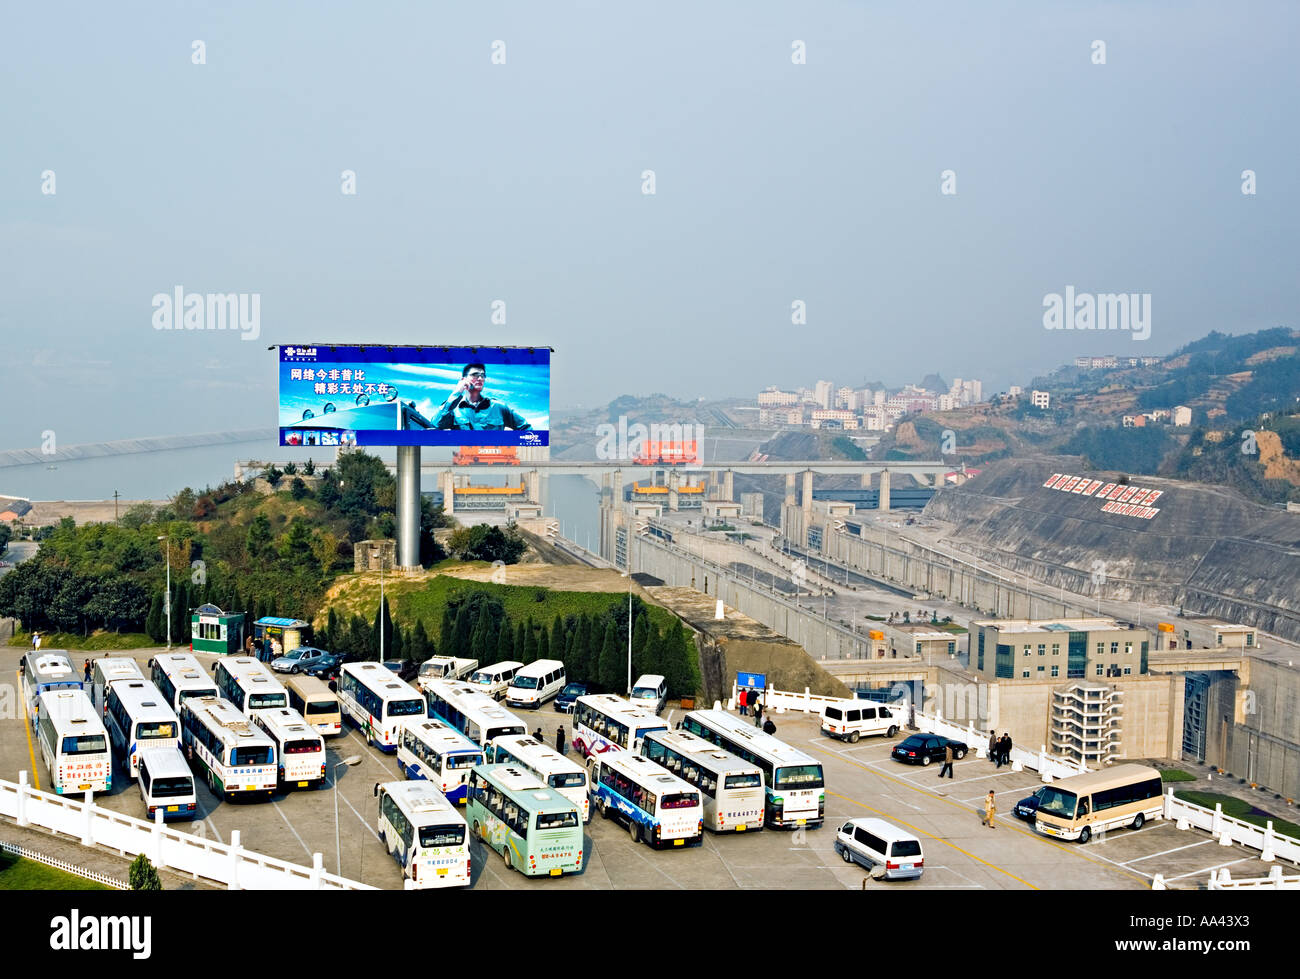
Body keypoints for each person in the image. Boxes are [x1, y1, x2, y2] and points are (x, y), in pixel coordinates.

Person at [432, 363, 532, 431]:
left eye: (482, 375)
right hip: (463, 460)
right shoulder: (453, 409)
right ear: (463, 379)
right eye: (475, 375)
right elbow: (435, 425)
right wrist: (457, 392)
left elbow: (527, 430)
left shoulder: (499, 407)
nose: (480, 378)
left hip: (495, 460)